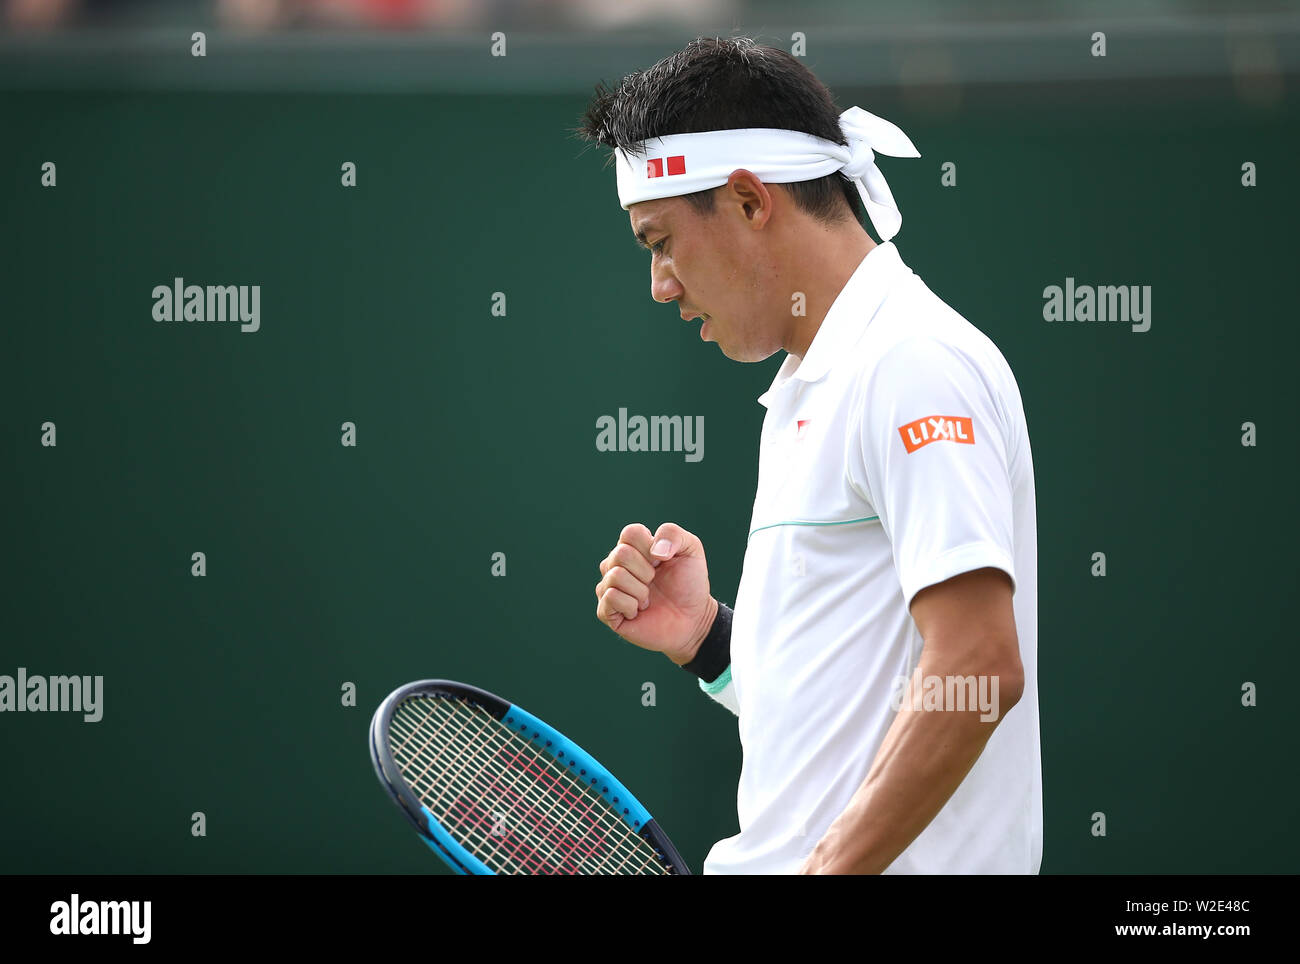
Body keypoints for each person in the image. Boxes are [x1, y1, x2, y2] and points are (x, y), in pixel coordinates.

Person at [579, 37, 1041, 874]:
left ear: (751, 202)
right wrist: (710, 642)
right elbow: (848, 720)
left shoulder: (909, 364)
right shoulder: (814, 383)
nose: (661, 284)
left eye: (660, 241)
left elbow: (979, 667)